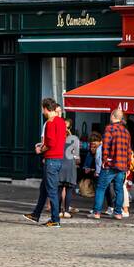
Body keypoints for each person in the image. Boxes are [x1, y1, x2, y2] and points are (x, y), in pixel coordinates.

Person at [23, 97, 67, 227]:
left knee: (52, 190)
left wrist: (40, 149)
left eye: (43, 109)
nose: (42, 112)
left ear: (46, 109)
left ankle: (55, 220)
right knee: (44, 189)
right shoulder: (61, 121)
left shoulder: (50, 122)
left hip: (51, 160)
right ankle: (36, 214)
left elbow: (50, 143)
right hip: (58, 159)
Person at [89, 108, 132, 221]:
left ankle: (97, 212)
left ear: (112, 116)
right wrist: (128, 166)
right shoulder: (126, 132)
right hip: (122, 165)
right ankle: (118, 213)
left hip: (110, 164)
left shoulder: (109, 129)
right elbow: (129, 151)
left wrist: (104, 160)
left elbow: (105, 146)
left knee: (101, 188)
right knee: (119, 189)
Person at [59, 119, 81, 219]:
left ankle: (59, 211)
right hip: (70, 167)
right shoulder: (74, 139)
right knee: (68, 190)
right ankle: (66, 211)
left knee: (58, 190)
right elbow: (77, 159)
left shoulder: (58, 138)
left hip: (59, 165)